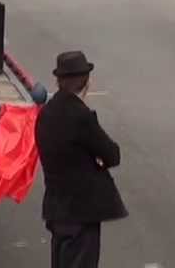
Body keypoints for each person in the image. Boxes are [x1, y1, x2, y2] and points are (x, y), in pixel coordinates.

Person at [36, 51, 127, 268]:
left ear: (58, 81)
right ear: (86, 81)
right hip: (81, 211)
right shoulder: (81, 116)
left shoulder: (46, 113)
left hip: (57, 208)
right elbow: (112, 154)